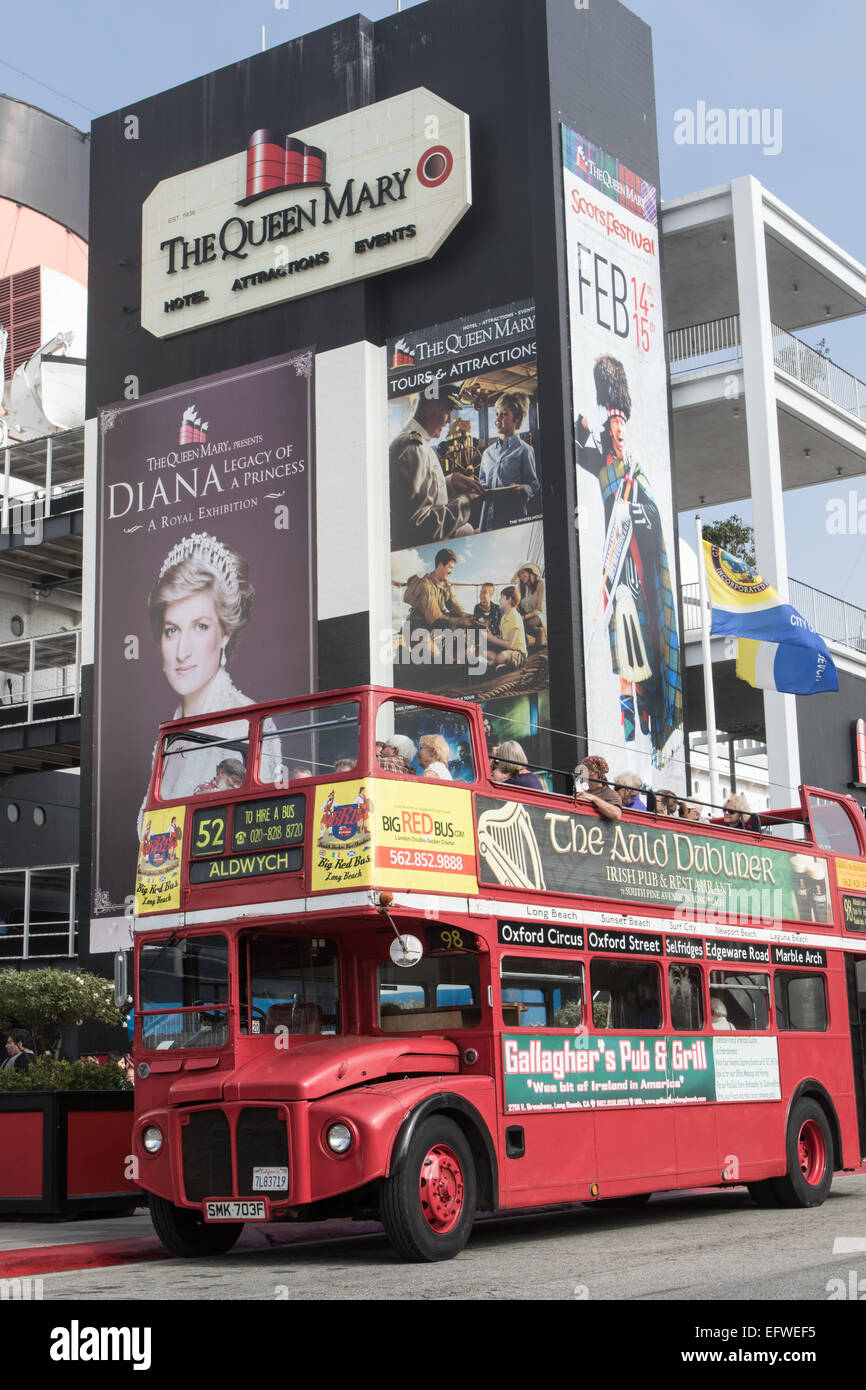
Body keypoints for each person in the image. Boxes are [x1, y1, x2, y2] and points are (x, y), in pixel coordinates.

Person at [575, 354, 682, 753]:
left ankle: (651, 724)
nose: (618, 436)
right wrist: (582, 426)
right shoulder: (603, 466)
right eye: (612, 430)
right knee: (623, 650)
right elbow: (578, 445)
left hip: (639, 573)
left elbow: (652, 515)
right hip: (617, 574)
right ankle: (628, 728)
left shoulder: (635, 469)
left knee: (645, 649)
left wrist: (639, 512)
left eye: (621, 429)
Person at [143, 533, 280, 813]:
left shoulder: (248, 725)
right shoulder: (168, 737)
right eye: (172, 630)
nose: (182, 651)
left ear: (225, 632)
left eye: (200, 627)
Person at [390, 390, 484, 551]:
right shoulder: (412, 448)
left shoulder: (418, 444)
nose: (449, 420)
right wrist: (466, 502)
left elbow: (422, 495)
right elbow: (418, 529)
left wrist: (451, 482)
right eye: (447, 411)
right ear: (431, 407)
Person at [478, 391, 540, 530]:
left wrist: (522, 489)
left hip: (512, 517)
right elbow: (482, 480)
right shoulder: (487, 453)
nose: (498, 419)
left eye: (504, 414)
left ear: (516, 419)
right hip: (487, 517)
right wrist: (481, 488)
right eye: (497, 414)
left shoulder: (524, 450)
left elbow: (534, 485)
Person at [574, 755, 622, 822]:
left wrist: (593, 798)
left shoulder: (609, 793)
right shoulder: (583, 791)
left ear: (593, 772)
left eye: (582, 770)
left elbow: (617, 814)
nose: (580, 773)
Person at [512, 564, 547, 650]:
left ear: (530, 572)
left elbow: (539, 609)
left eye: (523, 573)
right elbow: (518, 602)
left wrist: (523, 617)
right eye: (519, 575)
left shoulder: (541, 584)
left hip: (539, 614)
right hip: (527, 613)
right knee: (515, 619)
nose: (521, 576)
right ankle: (524, 643)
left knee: (525, 623)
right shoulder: (522, 586)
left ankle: (538, 633)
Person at [493, 586, 527, 668]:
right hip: (507, 651)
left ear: (509, 599)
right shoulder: (503, 618)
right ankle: (499, 665)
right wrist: (494, 637)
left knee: (502, 656)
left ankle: (499, 665)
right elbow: (503, 639)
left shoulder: (515, 616)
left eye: (502, 598)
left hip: (518, 653)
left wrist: (492, 639)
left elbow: (509, 644)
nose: (499, 600)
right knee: (487, 652)